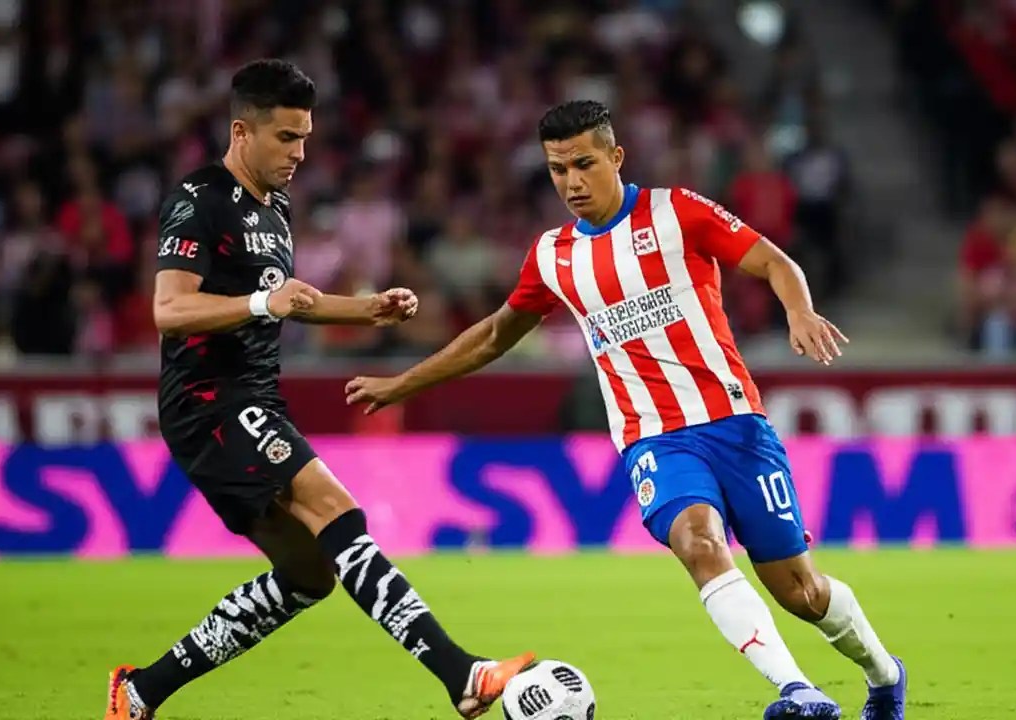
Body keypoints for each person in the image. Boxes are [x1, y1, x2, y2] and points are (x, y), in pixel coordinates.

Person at [345, 100, 907, 720]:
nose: (572, 182)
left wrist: (797, 309)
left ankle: (885, 676)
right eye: (558, 170)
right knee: (699, 541)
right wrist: (403, 384)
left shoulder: (678, 212)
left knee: (801, 593)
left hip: (735, 423)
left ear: (616, 157)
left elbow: (774, 260)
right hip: (652, 438)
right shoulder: (554, 254)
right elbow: (494, 334)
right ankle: (799, 693)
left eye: (583, 164)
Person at [105, 59, 532, 720]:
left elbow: (289, 302)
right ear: (241, 132)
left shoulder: (275, 210)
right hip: (210, 401)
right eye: (286, 138)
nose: (300, 153)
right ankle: (461, 675)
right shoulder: (199, 199)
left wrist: (368, 310)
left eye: (305, 138)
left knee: (311, 576)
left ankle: (139, 693)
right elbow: (171, 308)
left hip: (252, 400)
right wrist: (261, 301)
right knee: (338, 511)